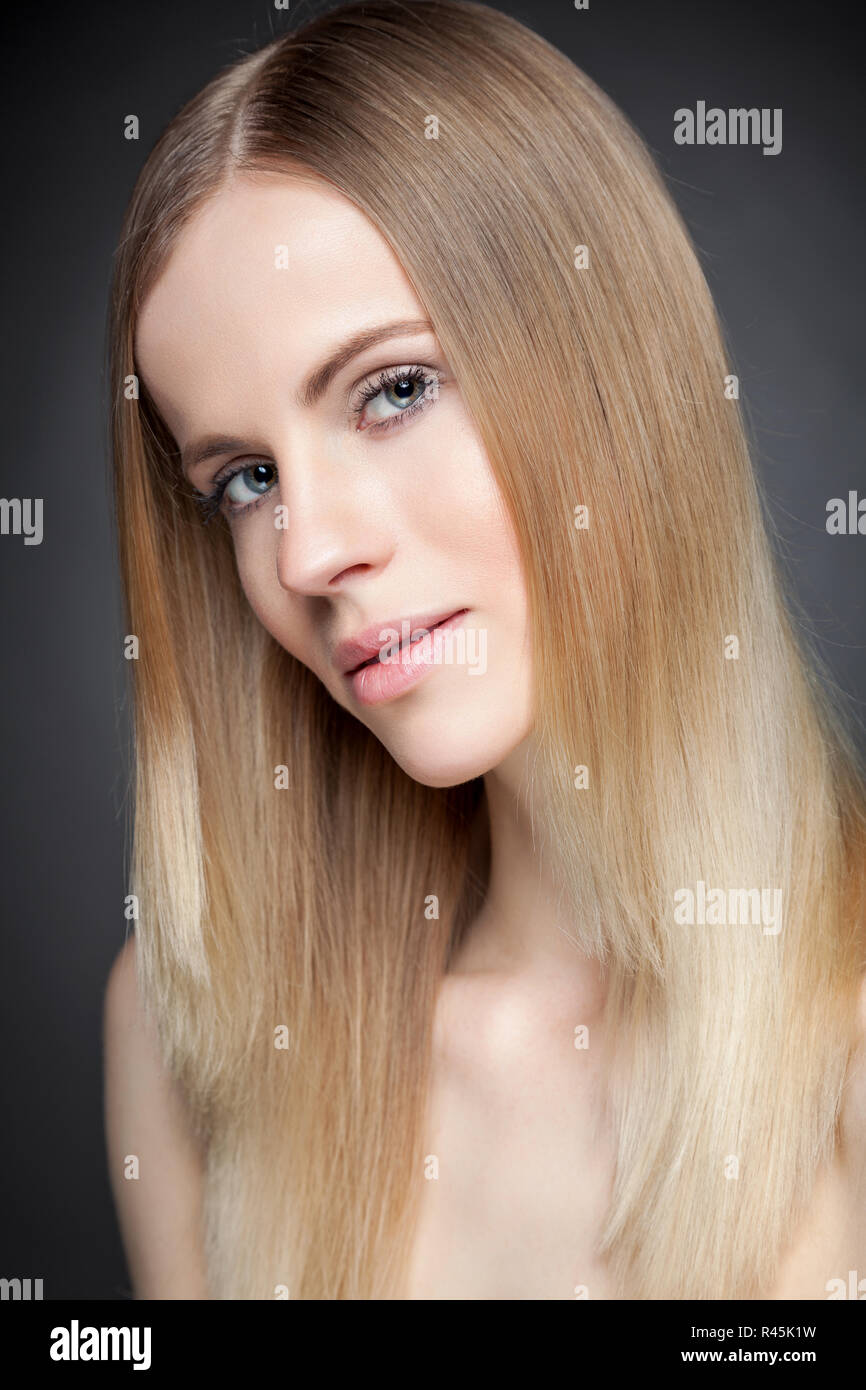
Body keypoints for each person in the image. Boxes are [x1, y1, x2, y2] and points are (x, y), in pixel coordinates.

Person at [103, 0, 866, 1299]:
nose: (304, 554)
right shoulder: (197, 1034)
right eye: (241, 479)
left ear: (614, 369)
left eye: (392, 390)